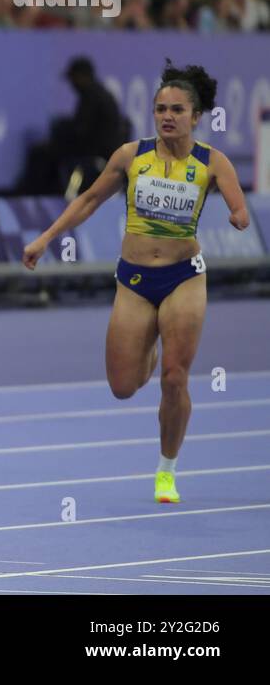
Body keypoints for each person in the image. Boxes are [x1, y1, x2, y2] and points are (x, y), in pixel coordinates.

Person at [22, 61, 250, 503]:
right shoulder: (130, 156)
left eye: (177, 110)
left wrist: (238, 216)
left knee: (175, 378)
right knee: (123, 386)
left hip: (184, 278)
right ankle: (150, 346)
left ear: (196, 116)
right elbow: (88, 200)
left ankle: (166, 470)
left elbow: (238, 205)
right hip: (134, 279)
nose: (167, 116)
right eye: (160, 108)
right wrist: (46, 238)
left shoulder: (211, 162)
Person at [19, 56, 126, 195]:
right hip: (100, 151)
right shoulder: (100, 94)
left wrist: (58, 137)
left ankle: (35, 194)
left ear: (82, 76)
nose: (72, 84)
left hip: (94, 154)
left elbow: (81, 132)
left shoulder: (91, 97)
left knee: (41, 155)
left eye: (73, 78)